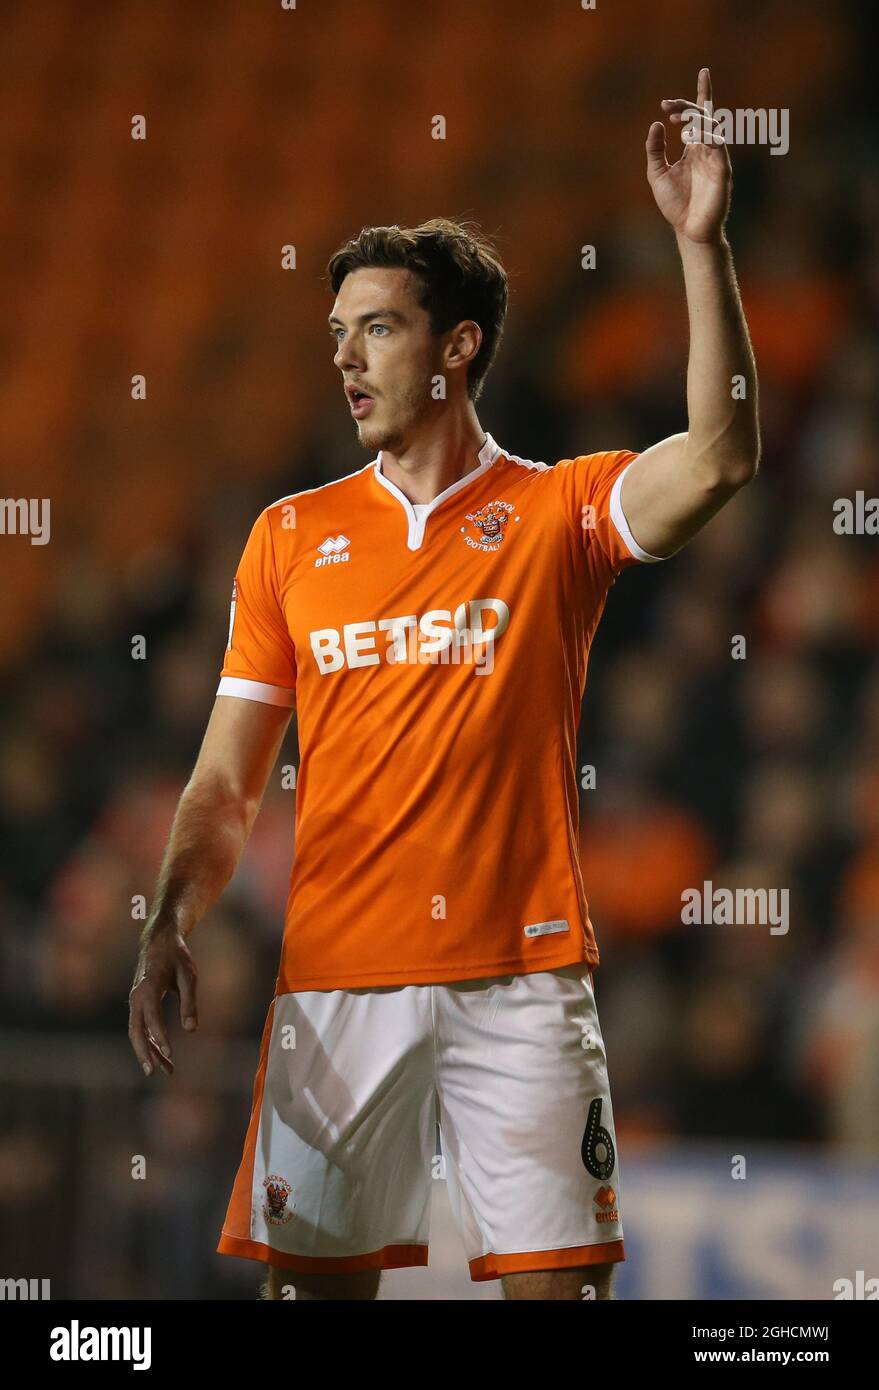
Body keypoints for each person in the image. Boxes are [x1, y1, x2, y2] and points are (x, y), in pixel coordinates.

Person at [128, 69, 760, 1301]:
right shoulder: (287, 537)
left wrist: (702, 246)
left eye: (377, 327)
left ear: (457, 345)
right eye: (336, 335)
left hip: (522, 984)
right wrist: (170, 917)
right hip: (333, 986)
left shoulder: (556, 511)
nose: (346, 359)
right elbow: (224, 776)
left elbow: (726, 455)